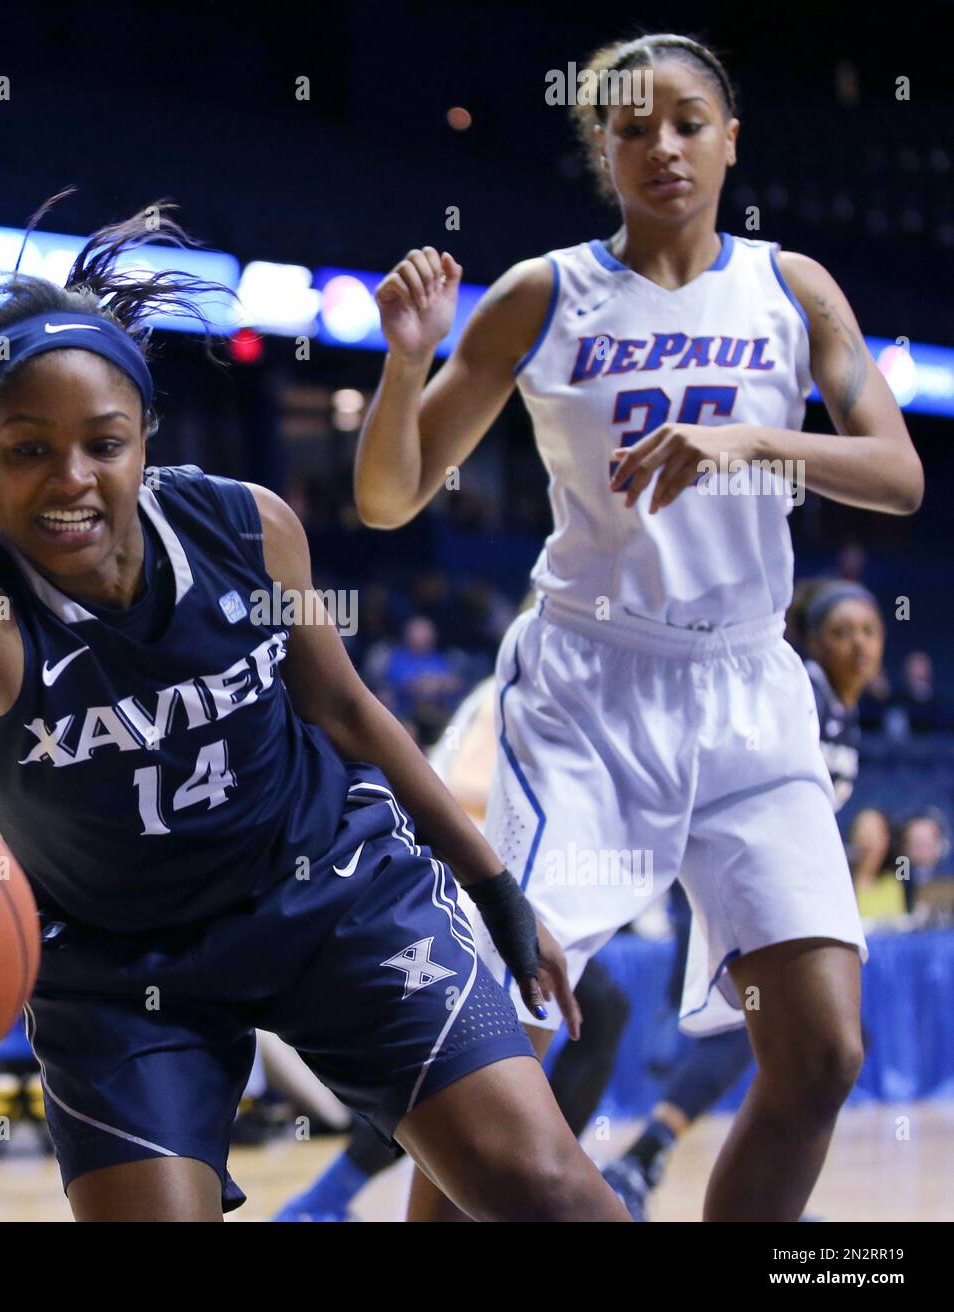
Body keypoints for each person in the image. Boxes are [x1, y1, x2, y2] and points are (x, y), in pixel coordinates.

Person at [0, 206, 628, 1222]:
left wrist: (497, 891)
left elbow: (348, 713)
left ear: (145, 437)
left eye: (102, 443)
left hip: (329, 897)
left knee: (553, 1195)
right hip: (113, 968)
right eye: (27, 452)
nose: (71, 480)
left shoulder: (250, 527)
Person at [353, 32, 923, 1221]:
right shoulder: (543, 293)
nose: (659, 145)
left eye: (685, 121)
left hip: (747, 686)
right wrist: (406, 367)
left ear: (728, 139)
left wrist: (753, 439)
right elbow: (390, 494)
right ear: (600, 147)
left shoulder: (791, 287)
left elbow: (896, 474)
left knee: (819, 1054)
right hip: (586, 692)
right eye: (628, 127)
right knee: (496, 1050)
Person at [274, 671, 629, 1222]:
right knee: (450, 1074)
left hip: (486, 879)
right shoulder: (520, 692)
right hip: (457, 877)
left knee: (478, 1070)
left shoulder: (581, 694)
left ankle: (540, 1182)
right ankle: (330, 1198)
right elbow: (459, 786)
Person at [600, 578, 888, 1216]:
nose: (860, 645)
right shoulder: (800, 686)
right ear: (814, 640)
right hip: (727, 869)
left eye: (870, 631)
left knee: (827, 1039)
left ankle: (760, 1188)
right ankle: (645, 1157)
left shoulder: (844, 715)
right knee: (783, 1031)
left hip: (767, 877)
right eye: (843, 632)